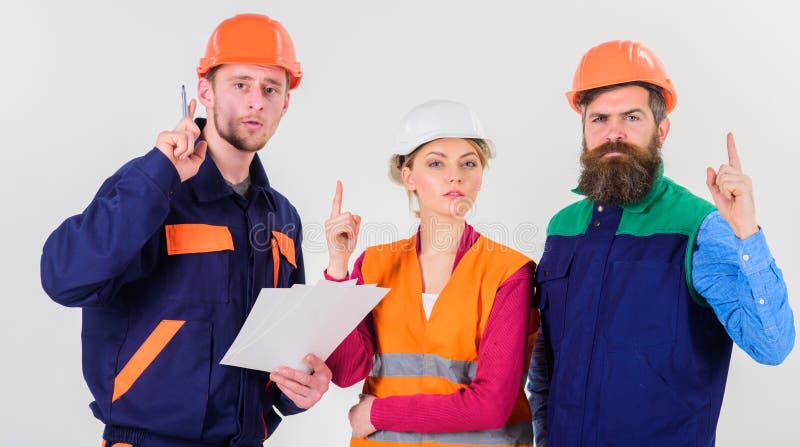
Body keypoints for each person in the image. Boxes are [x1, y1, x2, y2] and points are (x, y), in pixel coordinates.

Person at [40, 14, 331, 447]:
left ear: (285, 103)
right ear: (204, 92)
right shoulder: (152, 187)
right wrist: (158, 179)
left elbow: (280, 349)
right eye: (240, 84)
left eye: (271, 88)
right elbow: (64, 279)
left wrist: (302, 388)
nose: (256, 101)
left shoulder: (280, 217)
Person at [527, 40, 795, 447]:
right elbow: (547, 361)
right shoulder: (562, 228)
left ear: (662, 130)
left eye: (631, 117)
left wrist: (747, 233)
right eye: (599, 118)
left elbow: (771, 346)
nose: (613, 132)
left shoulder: (699, 228)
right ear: (584, 129)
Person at [324, 100, 538, 447]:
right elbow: (347, 372)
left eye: (468, 163)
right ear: (408, 176)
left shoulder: (508, 273)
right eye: (436, 163)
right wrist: (338, 269)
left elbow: (492, 406)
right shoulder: (374, 264)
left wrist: (377, 414)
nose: (455, 175)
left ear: (480, 177)